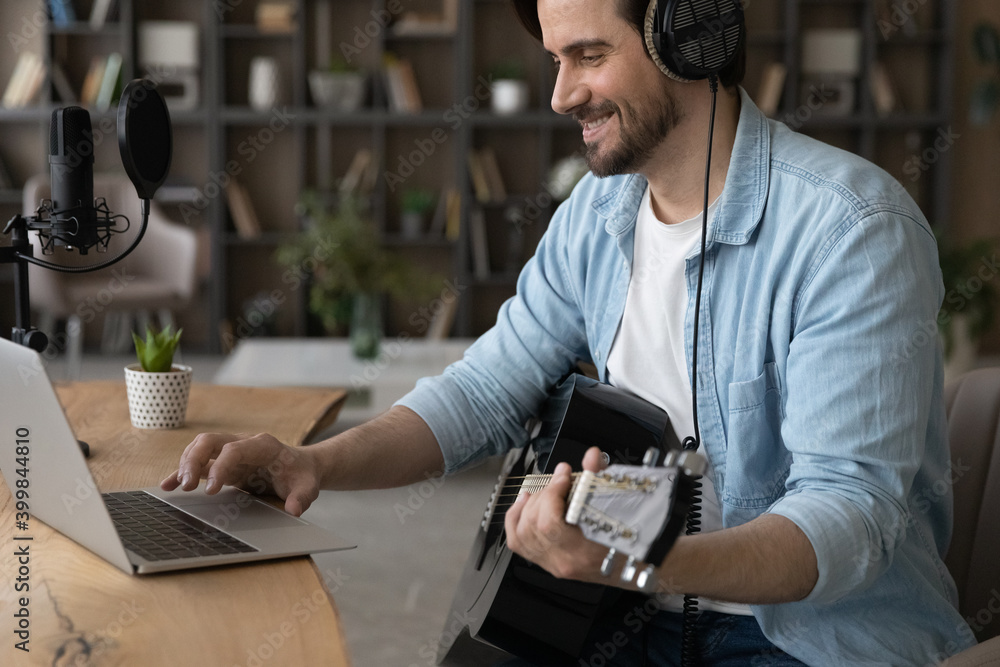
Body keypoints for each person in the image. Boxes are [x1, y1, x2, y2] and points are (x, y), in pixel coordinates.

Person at [162, 0, 977, 664]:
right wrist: (312, 462)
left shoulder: (851, 230)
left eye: (588, 55)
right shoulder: (597, 214)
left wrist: (638, 557)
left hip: (812, 639)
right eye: (556, 60)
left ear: (689, 35)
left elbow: (849, 516)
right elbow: (483, 390)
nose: (560, 95)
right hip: (620, 609)